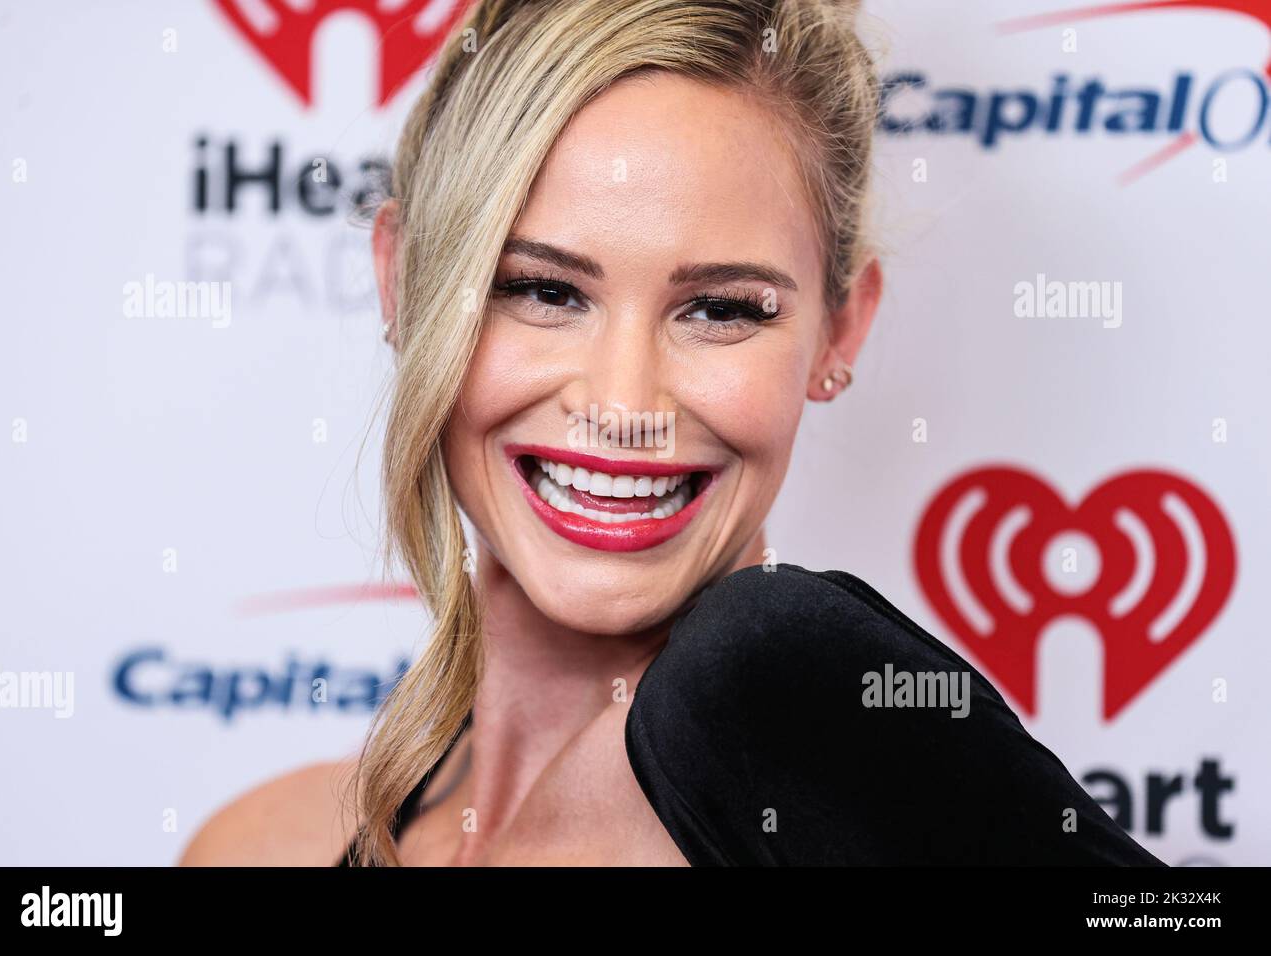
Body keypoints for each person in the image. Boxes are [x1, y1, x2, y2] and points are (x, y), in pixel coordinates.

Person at [180, 0, 1164, 867]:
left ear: (841, 328)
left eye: (722, 310)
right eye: (542, 289)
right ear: (403, 283)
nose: (623, 400)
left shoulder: (787, 687)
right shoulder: (259, 841)